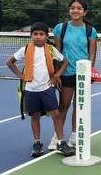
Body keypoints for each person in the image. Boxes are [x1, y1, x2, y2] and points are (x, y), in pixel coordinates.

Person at [6, 22, 68, 158]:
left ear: (46, 36)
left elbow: (65, 61)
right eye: (35, 34)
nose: (38, 37)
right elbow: (10, 62)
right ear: (31, 35)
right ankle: (37, 143)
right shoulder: (25, 49)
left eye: (41, 34)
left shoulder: (51, 49)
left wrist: (57, 75)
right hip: (30, 89)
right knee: (35, 116)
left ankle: (61, 142)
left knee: (56, 115)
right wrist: (20, 76)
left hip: (47, 88)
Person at [49, 0, 97, 156]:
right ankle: (58, 137)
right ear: (69, 10)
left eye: (79, 8)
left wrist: (89, 71)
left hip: (83, 73)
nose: (75, 11)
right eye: (72, 8)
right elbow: (57, 52)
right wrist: (57, 73)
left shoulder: (91, 30)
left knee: (79, 106)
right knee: (63, 105)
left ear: (85, 12)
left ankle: (75, 136)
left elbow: (92, 53)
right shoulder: (60, 28)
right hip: (66, 73)